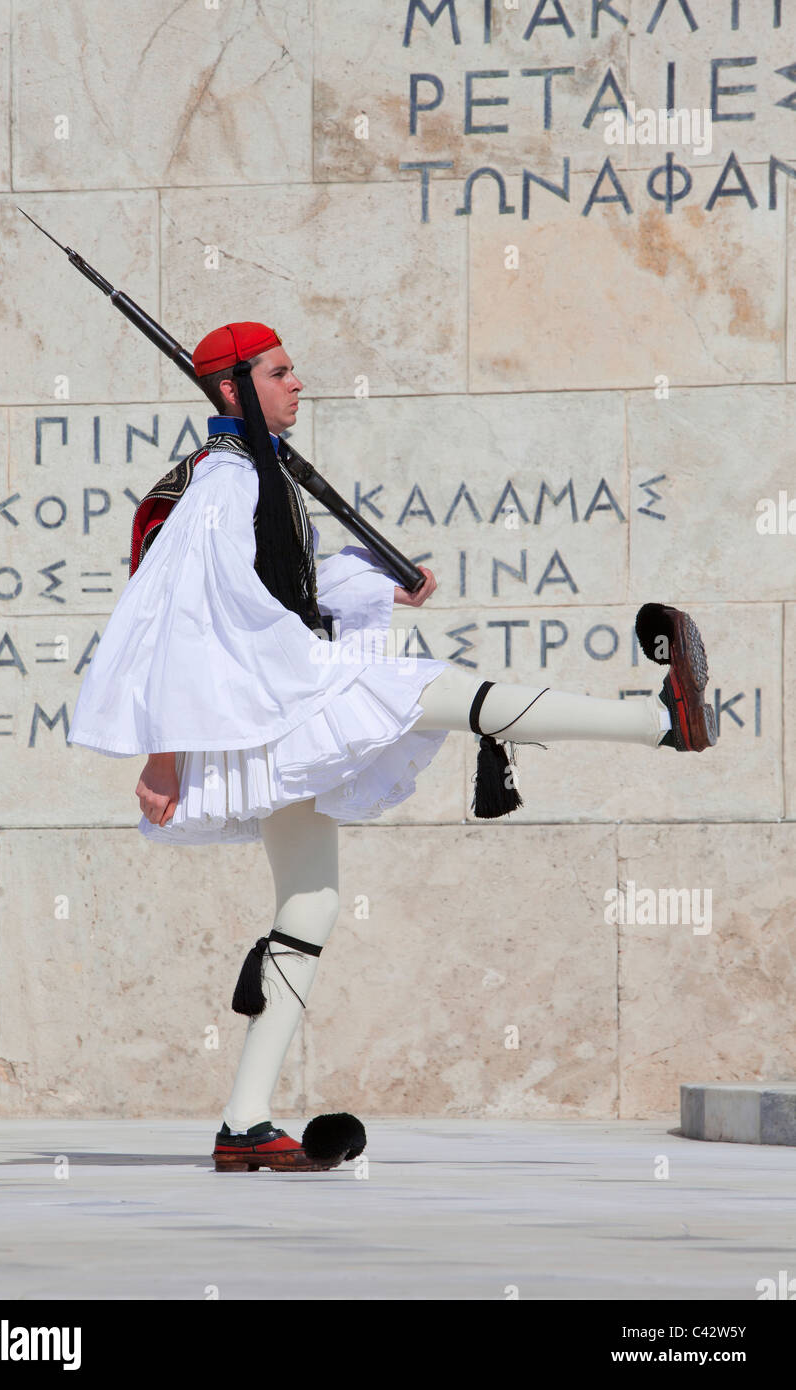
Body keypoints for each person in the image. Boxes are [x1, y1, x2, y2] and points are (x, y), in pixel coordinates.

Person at [67, 321, 716, 1173]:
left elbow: (282, 589)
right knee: (431, 691)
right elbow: (182, 615)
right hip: (276, 694)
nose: (299, 384)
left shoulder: (249, 472)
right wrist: (164, 750)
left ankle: (244, 1125)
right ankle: (663, 720)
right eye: (280, 372)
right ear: (233, 389)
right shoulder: (224, 480)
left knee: (311, 908)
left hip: (277, 697)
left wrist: (375, 578)